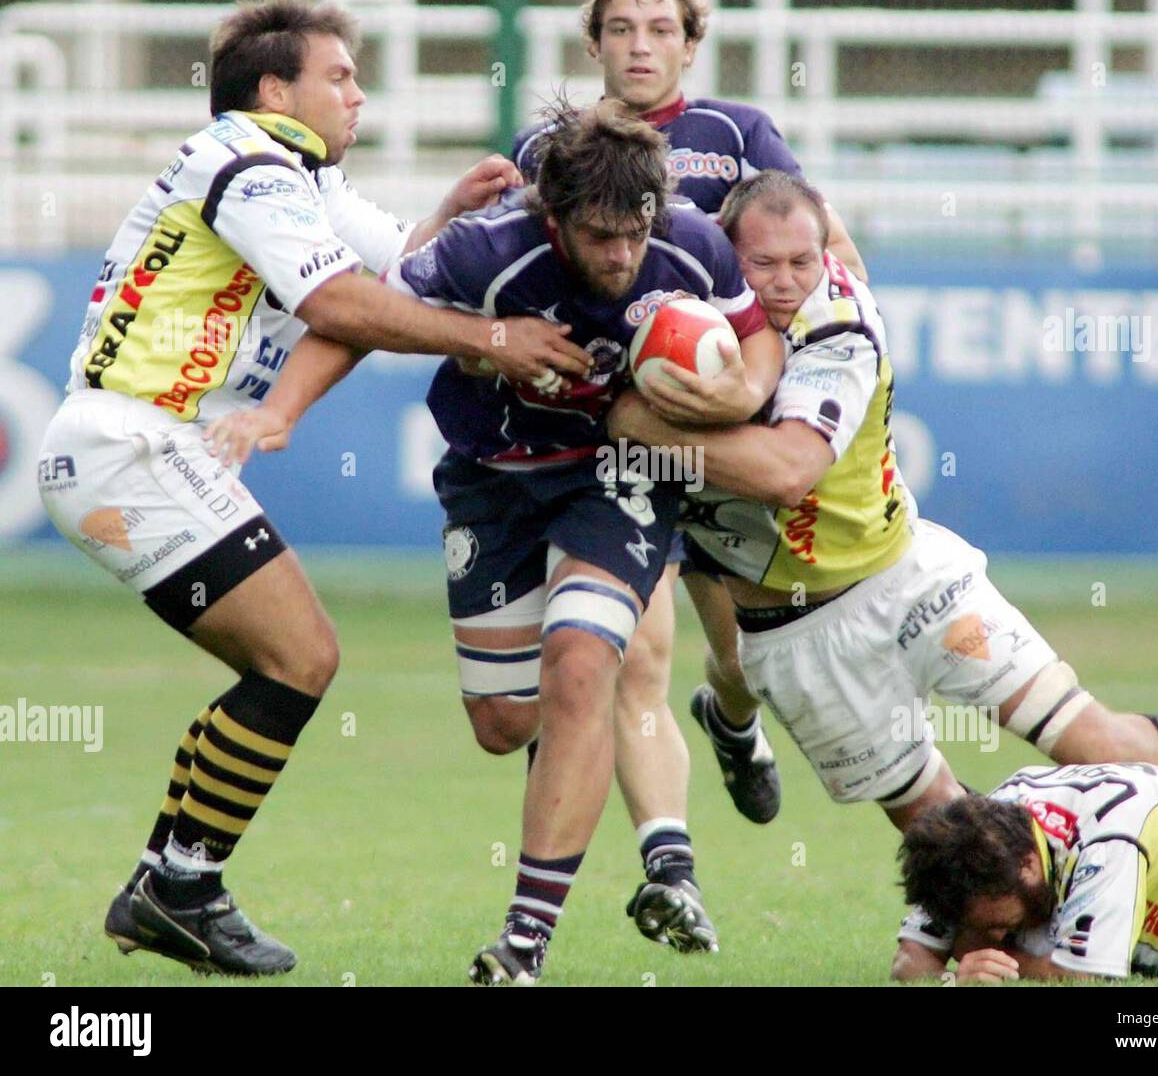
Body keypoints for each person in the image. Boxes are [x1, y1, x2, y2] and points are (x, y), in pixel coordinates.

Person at [35, 0, 589, 977]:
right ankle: (181, 883)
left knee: (283, 664)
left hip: (146, 448)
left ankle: (169, 880)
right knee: (303, 656)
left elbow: (394, 273)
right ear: (273, 88)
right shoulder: (249, 163)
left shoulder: (296, 179)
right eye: (339, 76)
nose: (358, 96)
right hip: (129, 443)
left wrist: (446, 223)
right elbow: (340, 304)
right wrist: (496, 342)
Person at [204, 99, 785, 984]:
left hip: (614, 471)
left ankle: (525, 941)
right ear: (554, 219)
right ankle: (580, 747)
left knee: (584, 660)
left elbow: (757, 339)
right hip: (495, 476)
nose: (621, 256)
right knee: (504, 721)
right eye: (599, 237)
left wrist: (736, 399)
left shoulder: (690, 246)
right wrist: (278, 411)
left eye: (633, 234)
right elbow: (362, 318)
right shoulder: (484, 248)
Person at [608, 169, 1158, 840]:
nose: (787, 281)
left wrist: (644, 423)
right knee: (949, 833)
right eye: (763, 263)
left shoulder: (841, 323)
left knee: (1093, 740)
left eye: (803, 260)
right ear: (725, 257)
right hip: (797, 642)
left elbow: (787, 472)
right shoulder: (677, 325)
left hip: (909, 582)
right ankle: (1069, 904)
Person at [513, 0, 870, 839]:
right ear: (593, 43)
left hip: (726, 416)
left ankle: (733, 717)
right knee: (637, 652)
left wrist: (856, 322)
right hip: (614, 425)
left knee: (740, 653)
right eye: (621, 30)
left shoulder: (738, 131)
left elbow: (814, 234)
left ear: (690, 44)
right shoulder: (554, 149)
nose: (641, 46)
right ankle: (666, 857)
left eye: (661, 30)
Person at [895, 759, 1158, 982]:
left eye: (999, 926)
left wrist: (997, 965)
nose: (992, 939)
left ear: (1028, 863)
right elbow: (910, 961)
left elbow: (1081, 979)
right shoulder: (972, 836)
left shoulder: (1109, 844)